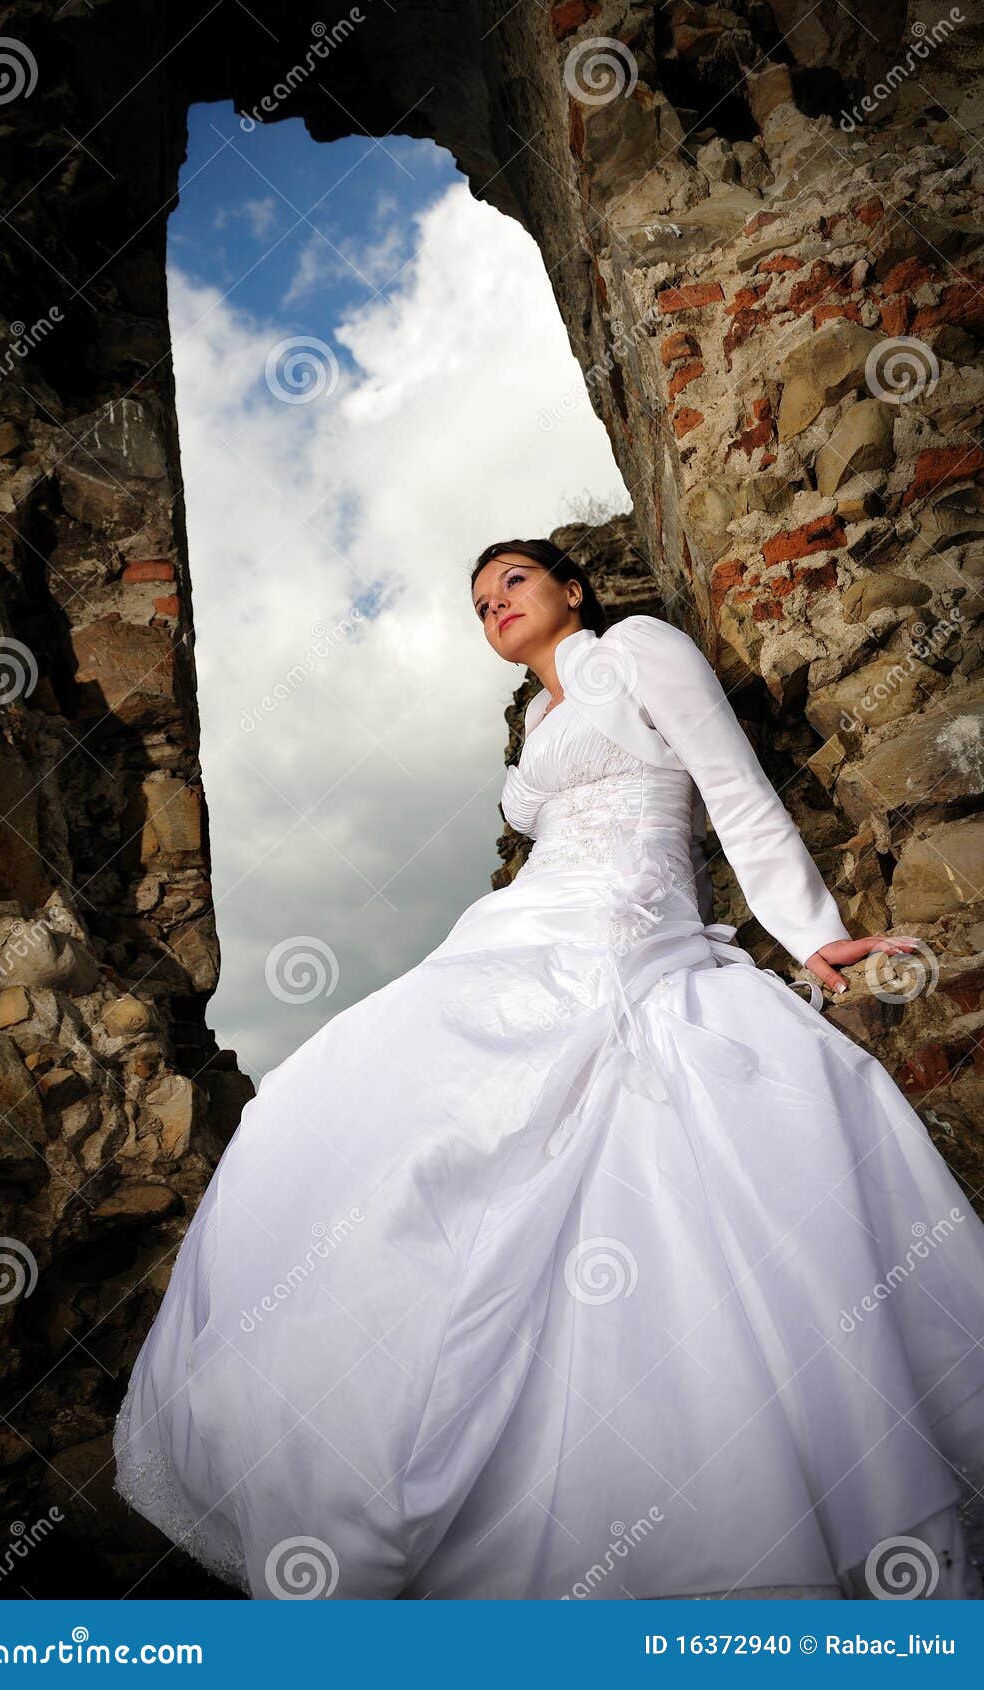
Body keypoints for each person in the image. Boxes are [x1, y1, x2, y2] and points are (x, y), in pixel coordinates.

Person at [113, 539, 984, 1602]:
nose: (495, 606)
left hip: (629, 921)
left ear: (572, 587)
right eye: (478, 603)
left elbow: (733, 786)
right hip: (527, 921)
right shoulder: (532, 725)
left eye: (512, 582)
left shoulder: (639, 650)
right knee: (343, 1098)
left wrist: (808, 933)